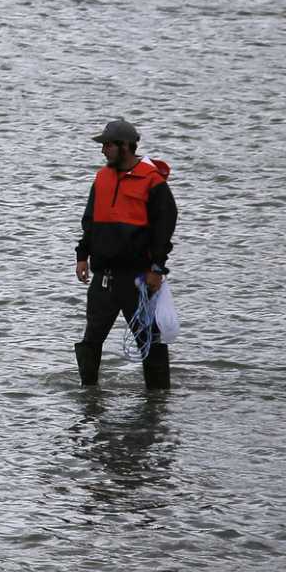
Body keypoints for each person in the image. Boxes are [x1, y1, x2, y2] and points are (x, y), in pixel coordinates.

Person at [74, 119, 177, 389]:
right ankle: (89, 394)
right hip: (104, 278)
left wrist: (156, 269)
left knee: (149, 340)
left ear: (125, 147)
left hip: (138, 280)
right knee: (91, 339)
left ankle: (158, 398)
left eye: (107, 145)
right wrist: (82, 256)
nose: (103, 150)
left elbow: (164, 230)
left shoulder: (153, 183)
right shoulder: (102, 178)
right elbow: (90, 221)